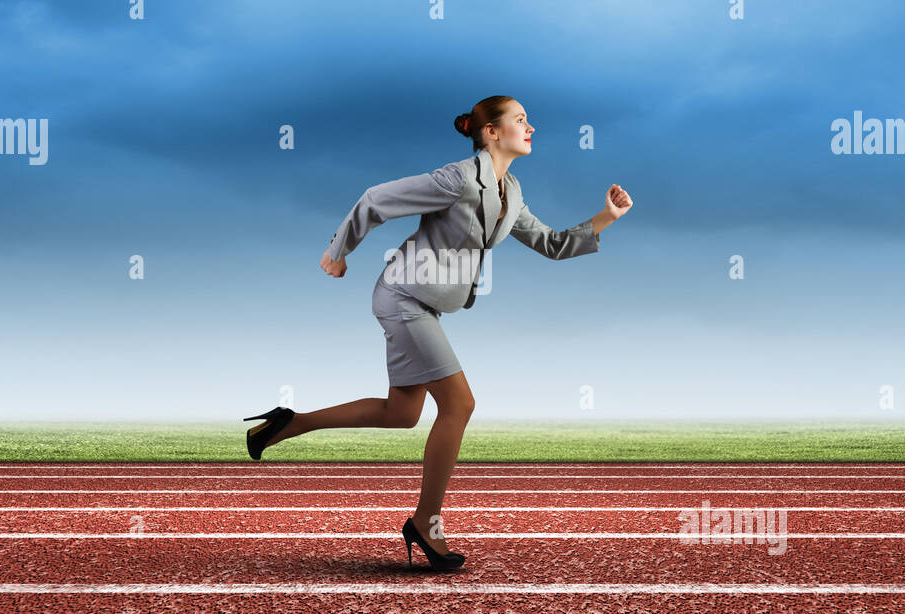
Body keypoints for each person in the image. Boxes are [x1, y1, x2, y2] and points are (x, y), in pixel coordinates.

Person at [242, 95, 633, 570]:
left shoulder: (511, 193)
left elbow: (551, 245)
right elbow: (376, 200)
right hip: (404, 298)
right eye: (520, 120)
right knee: (460, 404)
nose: (531, 127)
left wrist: (604, 219)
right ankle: (425, 521)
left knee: (402, 413)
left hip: (425, 306)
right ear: (490, 132)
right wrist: (338, 250)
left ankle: (291, 422)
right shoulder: (457, 179)